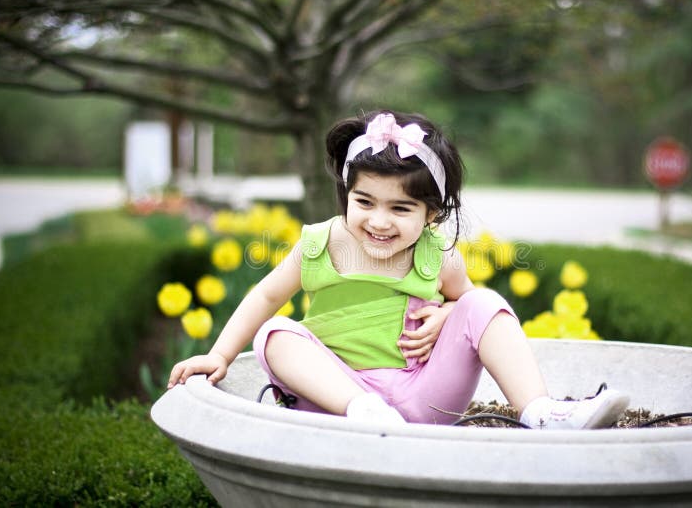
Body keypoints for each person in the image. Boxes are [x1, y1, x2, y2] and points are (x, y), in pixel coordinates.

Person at [168, 110, 629, 428]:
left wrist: (449, 314)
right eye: (364, 202)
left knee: (487, 300)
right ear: (346, 195)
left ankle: (540, 411)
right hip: (340, 397)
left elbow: (466, 303)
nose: (379, 221)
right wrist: (221, 355)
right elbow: (265, 296)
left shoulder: (437, 254)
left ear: (431, 215)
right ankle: (366, 412)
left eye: (401, 208)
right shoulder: (320, 245)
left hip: (424, 395)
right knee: (274, 332)